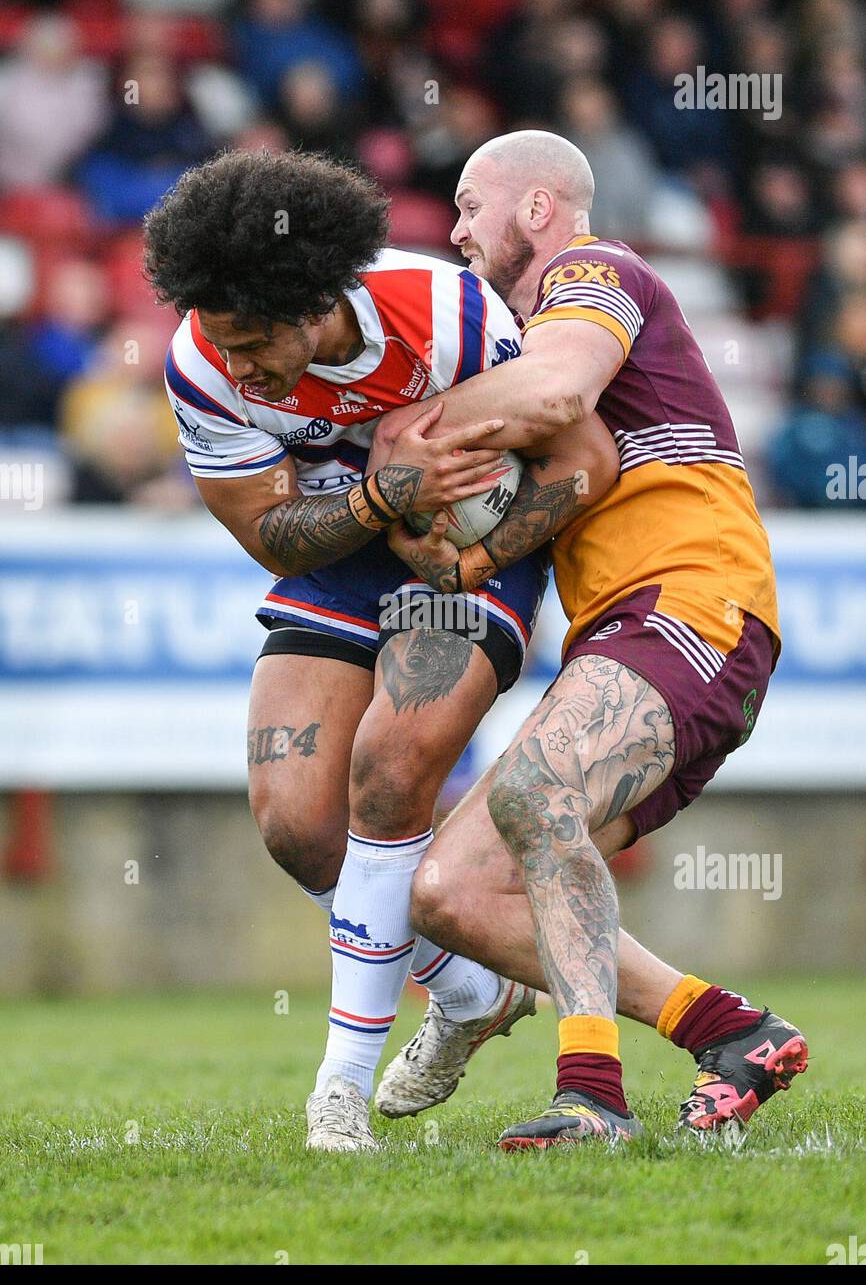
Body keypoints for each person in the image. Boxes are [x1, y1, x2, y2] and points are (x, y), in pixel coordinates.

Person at [143, 149, 618, 1151]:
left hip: (469, 554)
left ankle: (338, 1091)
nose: (237, 364)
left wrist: (474, 551)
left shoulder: (452, 315)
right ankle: (467, 995)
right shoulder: (198, 362)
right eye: (220, 342)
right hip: (338, 546)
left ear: (318, 303)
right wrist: (373, 501)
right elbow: (268, 531)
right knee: (292, 822)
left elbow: (582, 459)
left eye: (255, 342)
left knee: (391, 766)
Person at [377, 130, 808, 1147]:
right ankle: (731, 1030)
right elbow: (570, 467)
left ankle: (591, 1098)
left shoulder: (591, 269)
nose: (455, 230)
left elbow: (560, 395)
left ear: (536, 208)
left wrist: (411, 435)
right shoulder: (524, 335)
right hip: (629, 629)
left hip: (690, 603)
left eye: (470, 204)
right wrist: (457, 559)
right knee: (451, 889)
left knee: (532, 793)